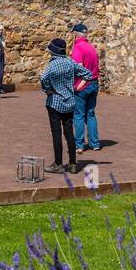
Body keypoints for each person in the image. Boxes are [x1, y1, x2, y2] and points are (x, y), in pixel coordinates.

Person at [40, 37, 92, 174]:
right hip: (70, 102)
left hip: (55, 102)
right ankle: (73, 164)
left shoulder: (52, 65)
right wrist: (77, 88)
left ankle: (58, 163)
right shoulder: (70, 62)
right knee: (69, 132)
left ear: (54, 52)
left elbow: (43, 78)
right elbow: (88, 74)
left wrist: (47, 90)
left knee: (56, 133)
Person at [70, 22, 101, 151]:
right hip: (94, 83)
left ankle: (79, 144)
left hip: (83, 85)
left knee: (79, 115)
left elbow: (80, 68)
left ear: (75, 34)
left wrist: (78, 86)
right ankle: (94, 144)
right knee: (91, 114)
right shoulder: (92, 48)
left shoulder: (78, 48)